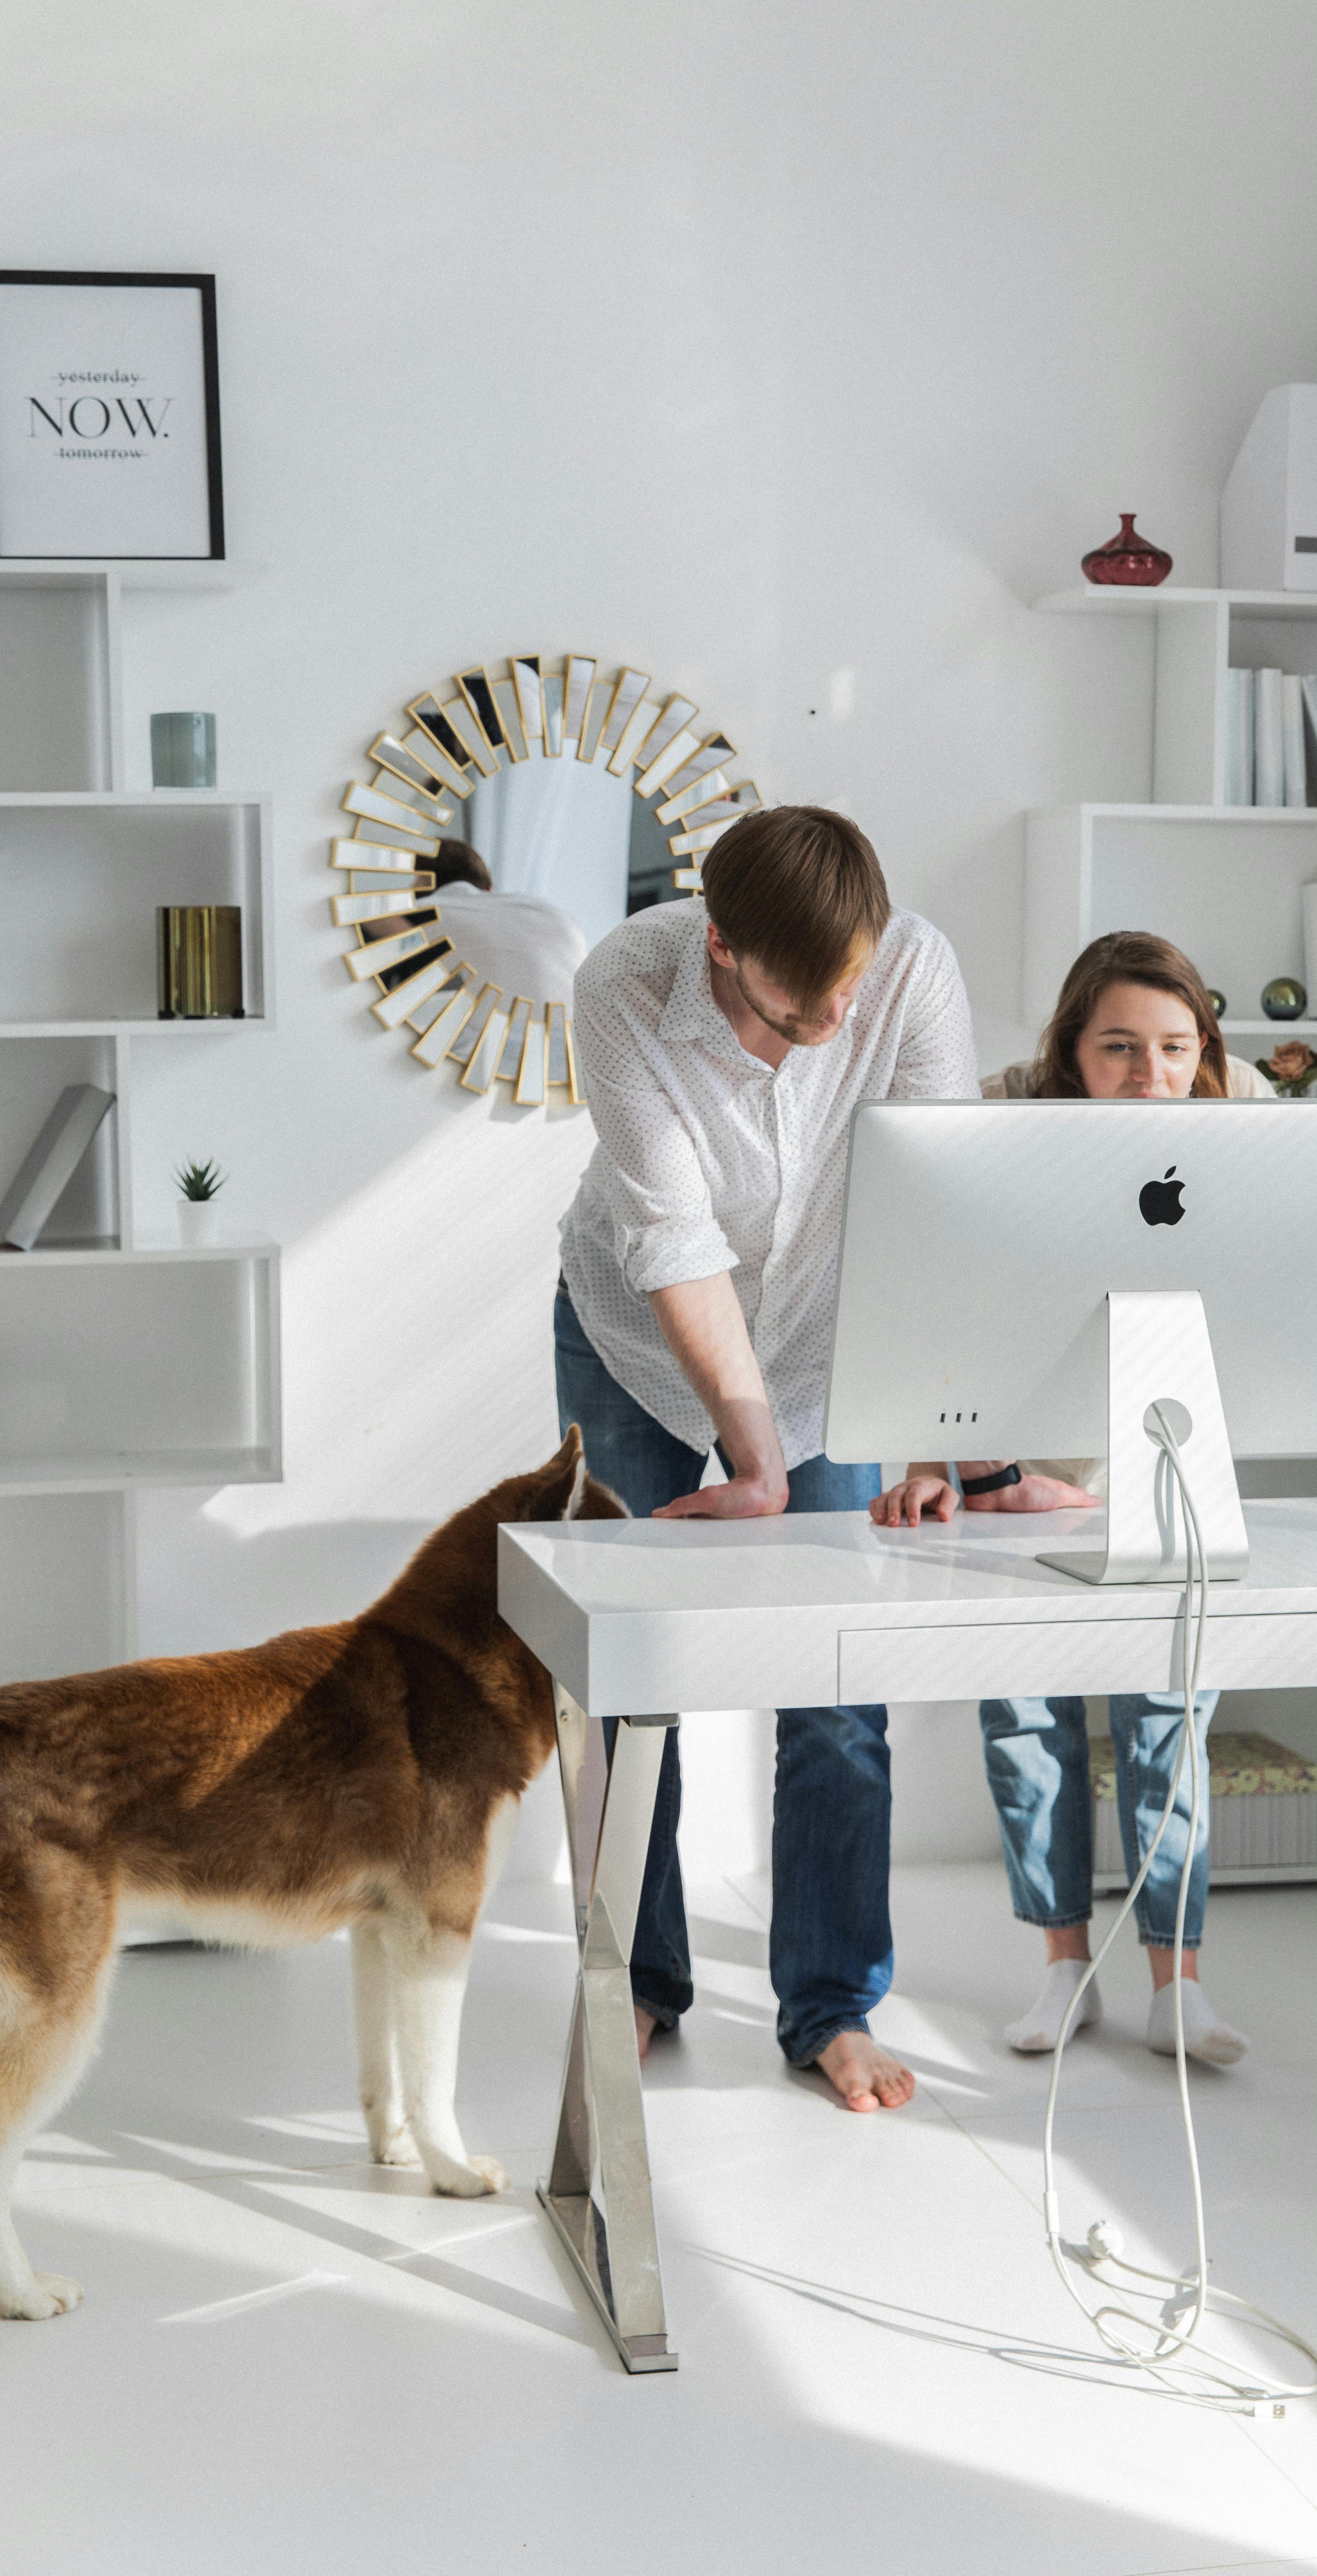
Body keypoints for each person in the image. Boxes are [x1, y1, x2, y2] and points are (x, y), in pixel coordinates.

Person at [871, 929, 1317, 2069]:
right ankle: (1061, 1972)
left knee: (1169, 1716)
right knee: (1027, 1725)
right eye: (1120, 1048)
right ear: (1070, 1053)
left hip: (1170, 1455)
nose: (1151, 1076)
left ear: (1209, 1051)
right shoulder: (1001, 1118)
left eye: (1176, 1048)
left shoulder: (1245, 1127)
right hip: (1017, 1478)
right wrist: (934, 1468)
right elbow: (930, 1282)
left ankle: (1177, 1986)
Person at [555, 804, 981, 2113]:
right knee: (630, 1672)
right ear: (723, 947)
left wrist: (924, 1437)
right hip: (635, 1335)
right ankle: (634, 1977)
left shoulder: (907, 970)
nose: (826, 1034)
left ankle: (829, 2004)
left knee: (837, 1684)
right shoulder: (622, 985)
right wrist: (747, 1457)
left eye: (842, 1000)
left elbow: (937, 1201)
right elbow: (669, 1236)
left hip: (836, 1356)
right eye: (798, 1018)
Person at [363, 836, 588, 1009]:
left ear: (422, 880)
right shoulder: (554, 915)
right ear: (490, 889)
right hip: (573, 1051)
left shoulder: (427, 911)